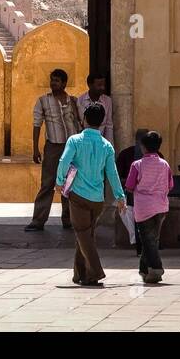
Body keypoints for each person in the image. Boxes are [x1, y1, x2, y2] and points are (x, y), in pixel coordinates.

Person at [55, 103, 127, 286]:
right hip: (97, 199)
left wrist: (59, 181)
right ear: (102, 121)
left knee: (83, 234)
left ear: (85, 118)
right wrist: (120, 196)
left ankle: (95, 271)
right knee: (86, 234)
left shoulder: (75, 140)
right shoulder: (107, 146)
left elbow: (64, 161)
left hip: (78, 196)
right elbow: (112, 173)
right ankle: (80, 274)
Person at [26, 69, 81, 231]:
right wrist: (35, 148)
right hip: (52, 147)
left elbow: (78, 123)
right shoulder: (43, 101)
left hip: (72, 147)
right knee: (47, 183)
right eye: (52, 80)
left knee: (69, 183)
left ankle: (69, 219)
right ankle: (38, 220)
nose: (53, 83)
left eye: (56, 81)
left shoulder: (73, 101)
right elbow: (37, 124)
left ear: (64, 83)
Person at [123, 130, 173, 283]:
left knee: (147, 240)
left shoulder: (137, 165)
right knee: (152, 240)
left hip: (144, 208)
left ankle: (157, 268)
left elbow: (130, 186)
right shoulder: (165, 164)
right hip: (161, 206)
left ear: (143, 147)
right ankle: (144, 270)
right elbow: (170, 185)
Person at [76, 74, 113, 143]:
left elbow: (108, 125)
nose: (102, 88)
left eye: (103, 85)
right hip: (85, 142)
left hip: (101, 142)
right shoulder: (80, 100)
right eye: (99, 85)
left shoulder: (107, 101)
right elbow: (80, 124)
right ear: (90, 85)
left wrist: (109, 145)